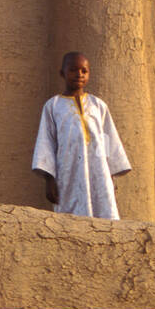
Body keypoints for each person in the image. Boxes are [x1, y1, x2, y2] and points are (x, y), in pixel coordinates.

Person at [31, 51, 131, 219]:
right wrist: (49, 180)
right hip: (68, 173)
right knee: (71, 219)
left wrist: (110, 175)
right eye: (73, 70)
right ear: (62, 73)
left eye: (84, 71)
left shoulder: (98, 105)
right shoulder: (53, 106)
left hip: (98, 172)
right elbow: (46, 142)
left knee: (104, 216)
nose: (79, 74)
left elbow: (106, 139)